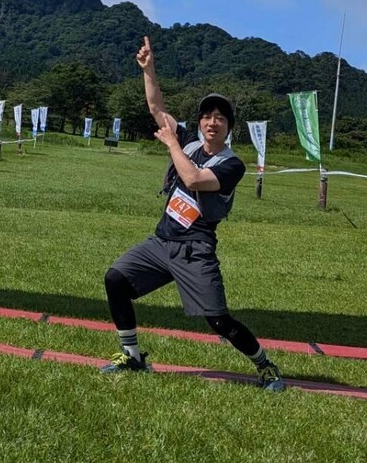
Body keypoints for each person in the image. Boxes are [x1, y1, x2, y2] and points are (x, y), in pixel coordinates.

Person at [100, 36, 285, 391]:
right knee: (116, 279)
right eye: (207, 116)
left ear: (229, 126)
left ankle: (266, 367)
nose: (212, 122)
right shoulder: (189, 142)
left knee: (218, 320)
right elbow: (157, 109)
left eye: (220, 118)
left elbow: (193, 178)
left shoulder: (232, 164)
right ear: (200, 121)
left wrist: (172, 144)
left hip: (195, 249)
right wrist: (149, 69)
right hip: (161, 241)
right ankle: (133, 355)